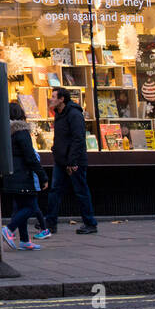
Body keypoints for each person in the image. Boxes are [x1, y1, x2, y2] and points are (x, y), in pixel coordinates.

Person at [38, 86, 98, 237]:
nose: (50, 99)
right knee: (55, 191)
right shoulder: (59, 113)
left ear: (61, 99)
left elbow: (78, 138)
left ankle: (90, 223)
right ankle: (50, 223)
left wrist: (72, 162)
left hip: (74, 161)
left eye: (53, 97)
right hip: (61, 160)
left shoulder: (73, 113)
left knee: (81, 191)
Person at [1, 117, 49, 251]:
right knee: (32, 206)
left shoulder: (8, 135)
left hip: (11, 176)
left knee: (22, 206)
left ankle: (24, 240)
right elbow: (30, 157)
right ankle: (9, 229)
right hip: (23, 176)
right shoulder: (22, 133)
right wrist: (42, 176)